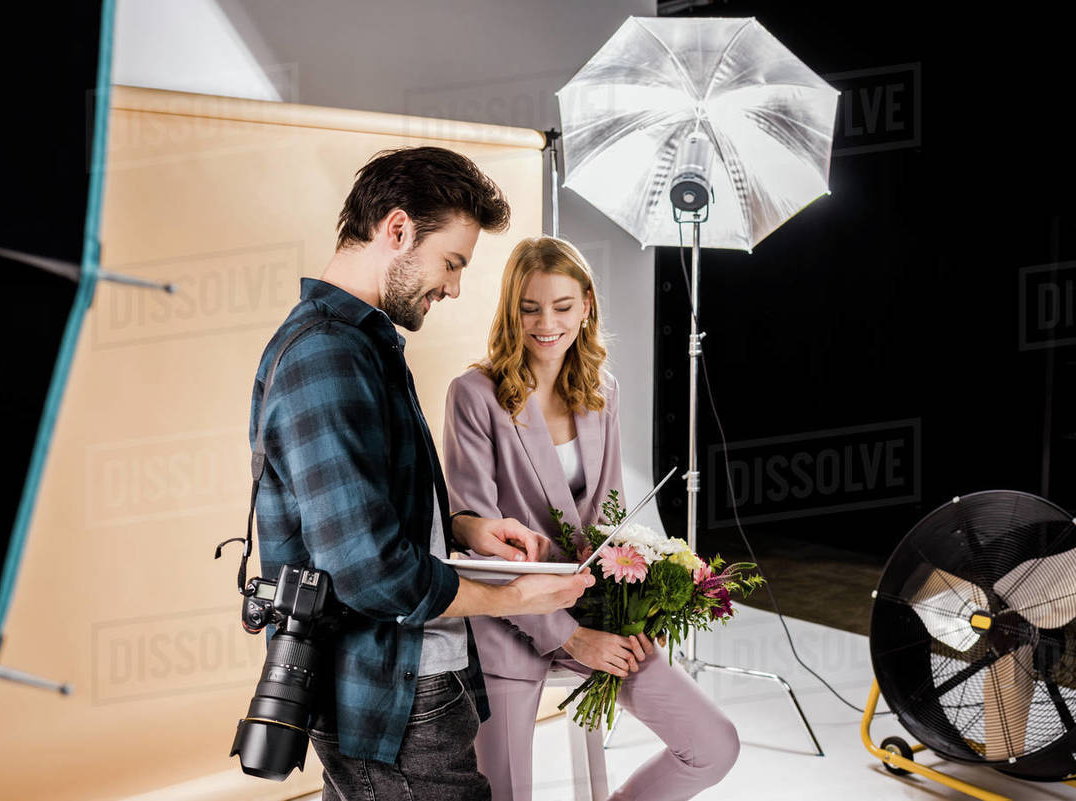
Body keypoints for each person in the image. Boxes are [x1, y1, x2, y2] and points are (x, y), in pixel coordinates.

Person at [250, 149, 595, 801]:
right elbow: (367, 569)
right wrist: (511, 598)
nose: (456, 286)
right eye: (453, 262)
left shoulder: (361, 346)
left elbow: (377, 514)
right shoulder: (325, 356)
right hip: (390, 696)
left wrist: (467, 528)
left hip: (407, 683)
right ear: (398, 230)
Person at [442, 237, 741, 801]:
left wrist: (634, 615)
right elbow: (477, 547)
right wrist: (570, 637)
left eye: (561, 306)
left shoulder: (602, 391)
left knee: (714, 745)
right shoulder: (474, 395)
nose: (545, 323)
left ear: (585, 307)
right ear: (511, 311)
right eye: (529, 308)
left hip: (596, 614)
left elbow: (609, 524)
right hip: (509, 627)